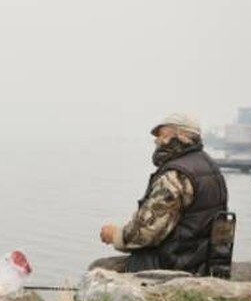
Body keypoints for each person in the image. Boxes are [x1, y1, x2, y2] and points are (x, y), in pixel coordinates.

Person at [91, 113, 229, 275]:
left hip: (174, 265)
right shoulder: (210, 166)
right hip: (203, 260)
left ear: (183, 137)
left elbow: (147, 232)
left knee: (98, 269)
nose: (157, 141)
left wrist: (115, 235)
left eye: (164, 136)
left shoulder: (175, 176)